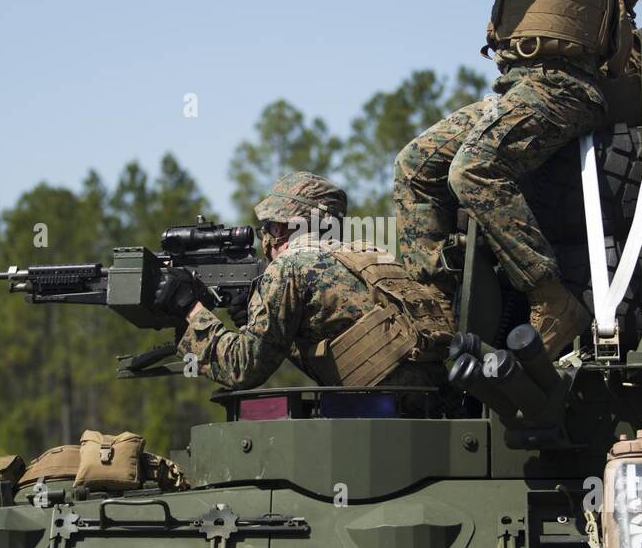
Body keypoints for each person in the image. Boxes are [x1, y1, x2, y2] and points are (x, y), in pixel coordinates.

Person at [394, 0, 633, 358]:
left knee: (473, 168)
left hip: (563, 87)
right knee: (416, 164)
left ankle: (552, 300)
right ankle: (436, 306)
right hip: (521, 88)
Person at [158, 172, 453, 401]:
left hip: (381, 419)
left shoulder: (290, 267)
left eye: (269, 226)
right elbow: (342, 346)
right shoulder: (371, 254)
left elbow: (242, 368)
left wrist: (190, 309)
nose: (265, 238)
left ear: (284, 227)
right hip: (433, 404)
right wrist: (255, 317)